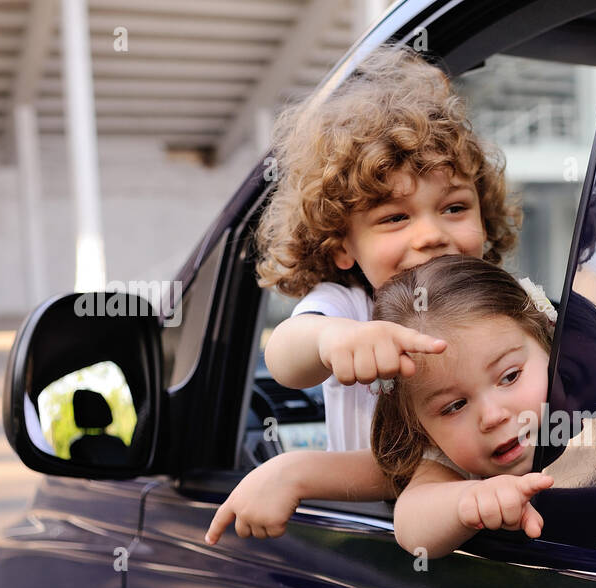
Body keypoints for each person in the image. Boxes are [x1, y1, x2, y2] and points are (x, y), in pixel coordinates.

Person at [205, 44, 519, 545]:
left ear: (484, 213)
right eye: (396, 217)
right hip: (383, 535)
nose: (431, 234)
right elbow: (286, 356)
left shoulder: (497, 303)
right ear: (344, 246)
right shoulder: (350, 306)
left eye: (454, 207)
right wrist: (333, 340)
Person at [368, 256, 556, 558]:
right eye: (454, 406)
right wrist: (471, 500)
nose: (493, 416)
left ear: (548, 343)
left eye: (509, 376)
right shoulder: (449, 464)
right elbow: (412, 526)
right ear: (421, 429)